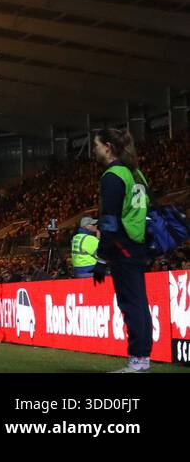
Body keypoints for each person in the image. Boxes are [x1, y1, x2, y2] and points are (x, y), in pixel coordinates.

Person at [92, 128, 153, 373]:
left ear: (108, 147)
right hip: (138, 245)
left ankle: (139, 359)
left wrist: (101, 258)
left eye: (97, 145)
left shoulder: (113, 175)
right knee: (138, 301)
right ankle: (142, 358)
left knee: (131, 302)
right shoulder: (136, 174)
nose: (95, 150)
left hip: (123, 247)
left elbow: (110, 220)